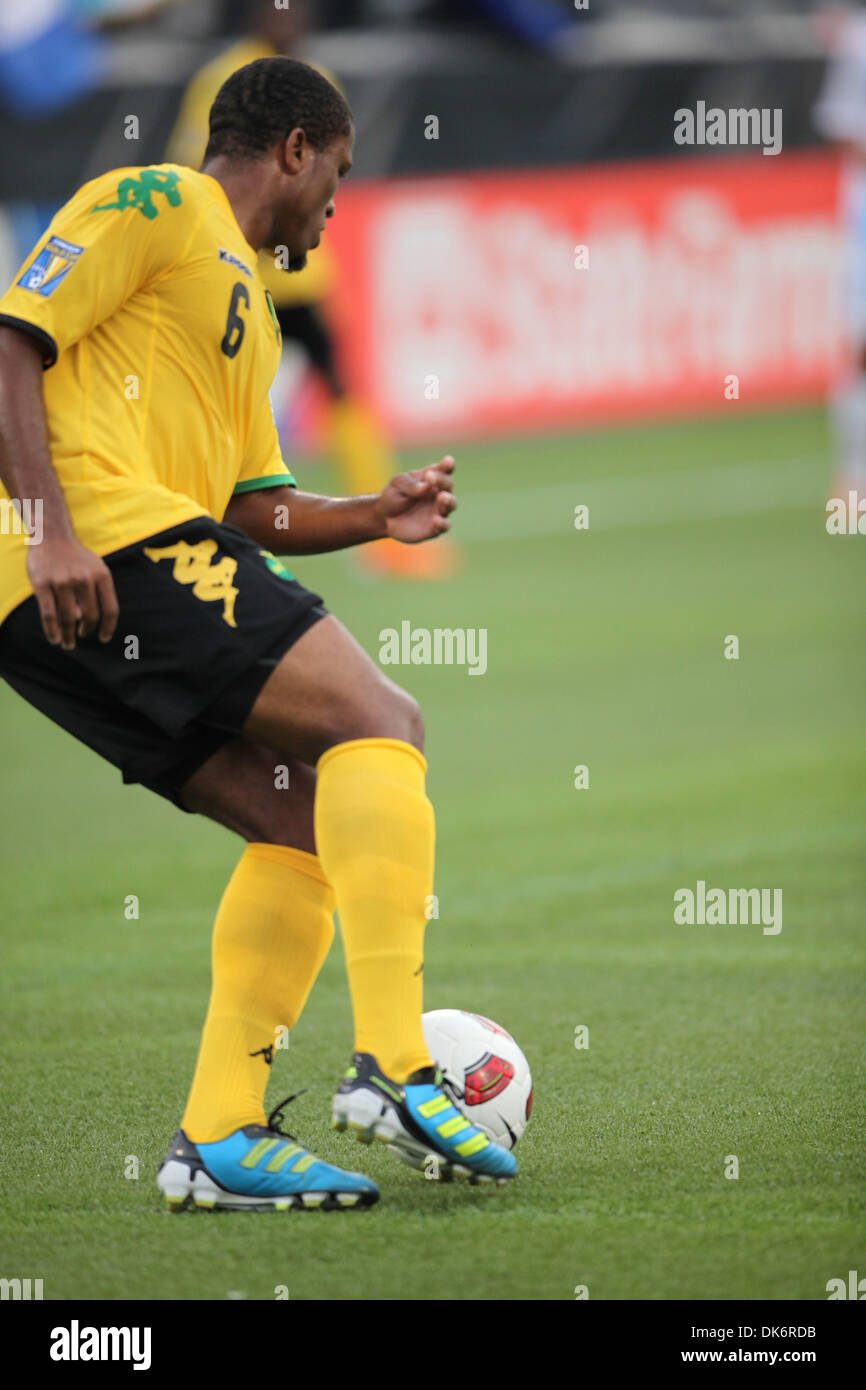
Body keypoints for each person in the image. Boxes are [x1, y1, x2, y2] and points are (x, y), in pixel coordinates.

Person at [0, 56, 515, 1211]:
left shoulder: (246, 314)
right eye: (334, 173)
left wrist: (370, 511)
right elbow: (9, 344)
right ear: (291, 149)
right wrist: (51, 531)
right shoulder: (150, 201)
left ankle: (220, 1128)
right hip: (96, 544)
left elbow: (249, 509)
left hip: (73, 595)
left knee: (297, 815)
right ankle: (394, 1058)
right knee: (381, 721)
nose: (334, 203)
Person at [167, 0, 455, 578]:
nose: (290, 17)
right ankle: (192, 531)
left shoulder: (318, 81)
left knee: (343, 389)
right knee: (221, 408)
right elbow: (197, 167)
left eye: (298, 8)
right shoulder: (225, 80)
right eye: (279, 8)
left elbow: (331, 171)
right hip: (238, 277)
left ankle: (383, 532)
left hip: (301, 279)